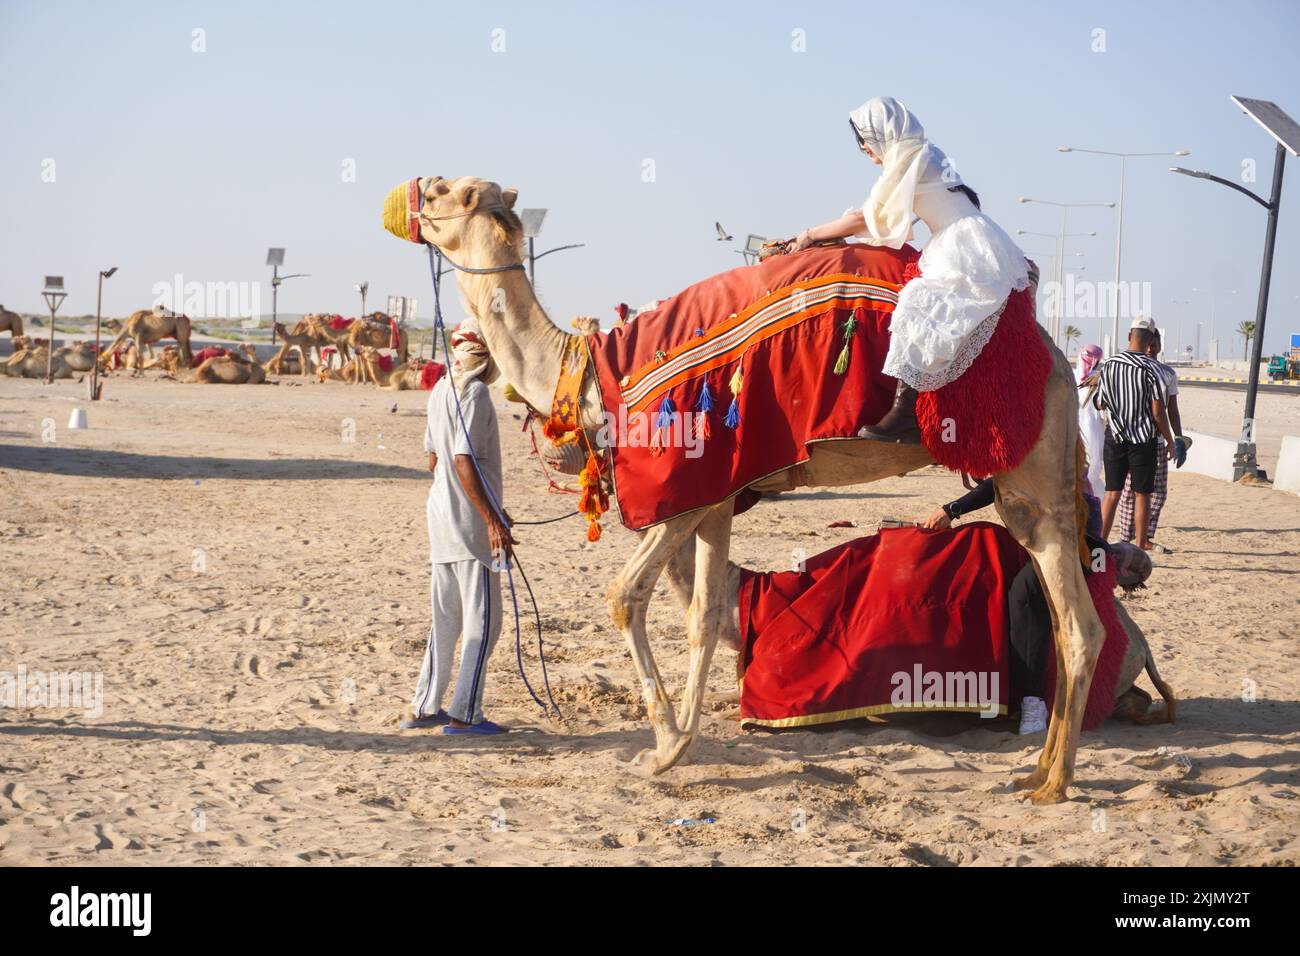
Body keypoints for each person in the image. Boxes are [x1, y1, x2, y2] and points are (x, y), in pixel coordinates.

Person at [784, 96, 1030, 441]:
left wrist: (809, 235)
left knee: (918, 303)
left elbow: (864, 218)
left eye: (864, 142)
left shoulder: (910, 157)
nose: (865, 151)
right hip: (974, 234)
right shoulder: (925, 152)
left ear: (882, 135)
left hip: (962, 242)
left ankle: (905, 413)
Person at [920, 479, 1145, 735]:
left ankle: (1032, 701)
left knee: (1025, 595)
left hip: (1072, 537)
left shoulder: (1045, 443)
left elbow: (1001, 482)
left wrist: (951, 509)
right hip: (1041, 535)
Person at [401, 318, 514, 735]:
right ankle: (465, 714)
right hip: (469, 527)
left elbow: (435, 459)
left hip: (441, 519)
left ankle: (423, 707)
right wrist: (491, 520)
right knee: (485, 624)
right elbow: (462, 460)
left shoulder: (440, 388)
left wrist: (494, 508)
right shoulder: (476, 392)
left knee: (445, 618)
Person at [1093, 316, 1176, 550]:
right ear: (1150, 341)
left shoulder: (1108, 365)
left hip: (1115, 437)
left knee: (1112, 493)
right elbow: (1158, 411)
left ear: (1129, 336)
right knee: (1143, 495)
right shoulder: (1153, 370)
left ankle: (1099, 546)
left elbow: (1100, 403)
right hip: (1143, 440)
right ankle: (1139, 548)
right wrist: (1170, 440)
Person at [1116, 328, 1186, 553]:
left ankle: (1142, 537)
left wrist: (1177, 437)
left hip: (1151, 439)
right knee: (1134, 491)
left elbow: (1170, 409)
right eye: (1151, 340)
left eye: (1155, 340)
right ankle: (1128, 539)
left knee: (1153, 492)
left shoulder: (1167, 372)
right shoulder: (1134, 368)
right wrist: (1172, 438)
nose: (1153, 345)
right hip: (1137, 438)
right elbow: (1162, 411)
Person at [1075, 343, 1106, 500]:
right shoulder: (1101, 380)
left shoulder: (1071, 377)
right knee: (1090, 473)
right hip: (1091, 431)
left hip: (1079, 430)